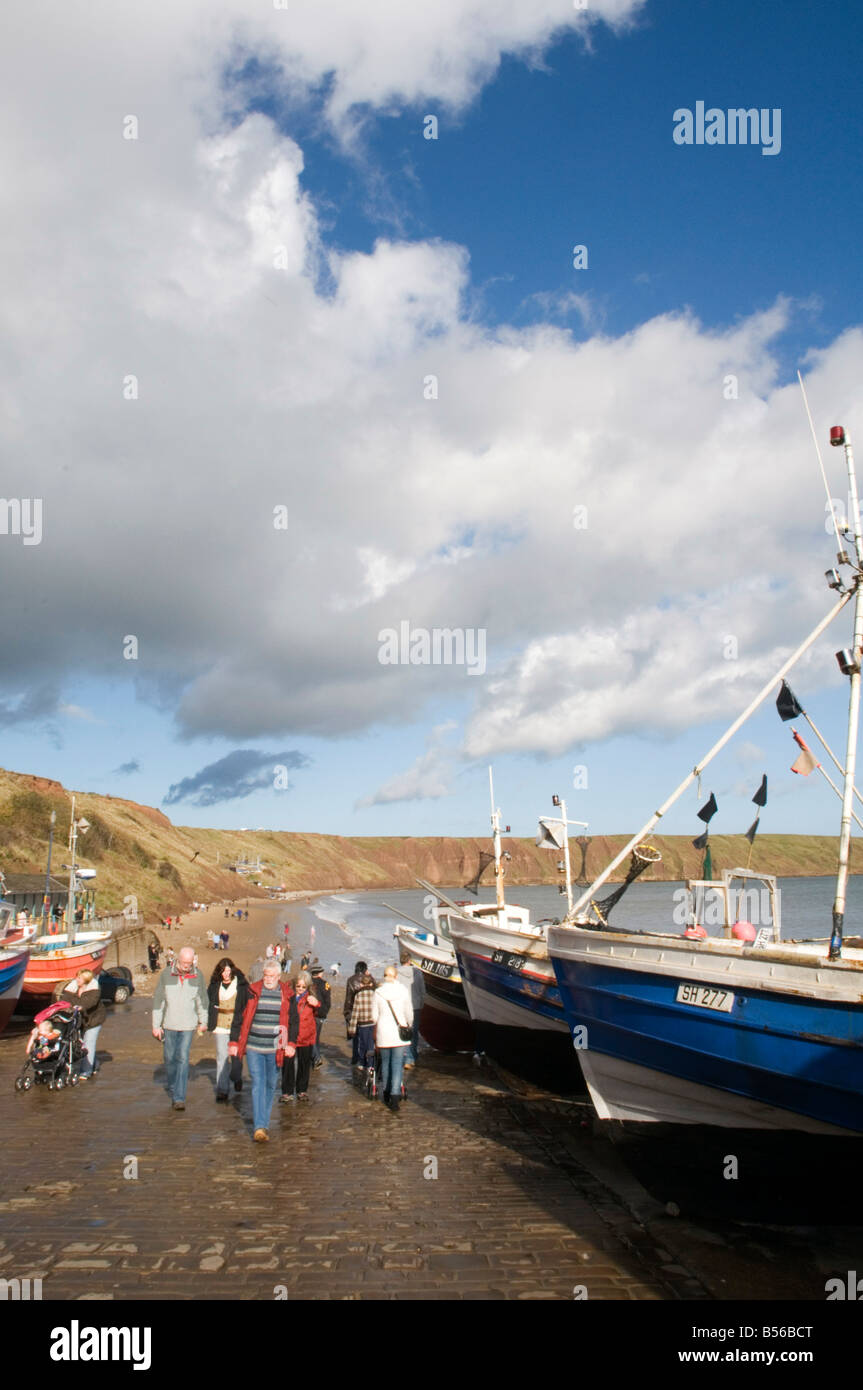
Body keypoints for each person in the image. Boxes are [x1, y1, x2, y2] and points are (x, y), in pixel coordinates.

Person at [232, 959, 297, 1141]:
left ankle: (263, 1122)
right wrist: (233, 1042)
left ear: (278, 976)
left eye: (272, 976)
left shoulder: (286, 994)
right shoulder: (252, 991)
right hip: (254, 1046)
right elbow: (239, 1015)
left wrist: (291, 1043)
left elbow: (293, 1021)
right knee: (258, 1083)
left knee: (270, 1085)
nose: (268, 979)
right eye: (266, 975)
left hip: (276, 1048)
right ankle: (259, 1127)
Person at [151, 946, 208, 1110]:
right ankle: (173, 1084)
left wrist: (203, 1021)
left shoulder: (198, 976)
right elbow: (159, 1001)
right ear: (178, 960)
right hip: (169, 1024)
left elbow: (202, 1000)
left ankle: (179, 1097)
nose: (186, 966)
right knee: (169, 1058)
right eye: (184, 963)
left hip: (189, 1025)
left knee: (182, 1057)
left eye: (189, 963)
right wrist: (156, 1025)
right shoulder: (166, 974)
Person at [207, 957, 251, 1102]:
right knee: (221, 1057)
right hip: (220, 1024)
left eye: (228, 970)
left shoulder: (241, 985)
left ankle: (237, 1077)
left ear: (232, 970)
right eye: (223, 971)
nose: (226, 974)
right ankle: (222, 1089)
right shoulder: (215, 985)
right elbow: (209, 1002)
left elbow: (247, 1004)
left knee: (237, 1058)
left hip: (237, 1024)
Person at [372, 966, 413, 1115]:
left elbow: (374, 1016)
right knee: (397, 1064)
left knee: (386, 1064)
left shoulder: (378, 993)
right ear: (396, 977)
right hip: (398, 1032)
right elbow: (409, 1012)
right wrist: (409, 1024)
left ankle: (387, 1092)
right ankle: (395, 1096)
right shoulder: (403, 991)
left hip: (383, 1032)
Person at [60, 968, 106, 1079]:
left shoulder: (94, 990)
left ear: (86, 979)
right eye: (77, 977)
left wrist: (81, 1007)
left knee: (88, 1043)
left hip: (94, 1019)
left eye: (79, 977)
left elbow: (90, 1002)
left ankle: (86, 1071)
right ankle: (94, 1064)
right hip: (79, 1020)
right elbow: (64, 1000)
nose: (77, 979)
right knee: (81, 1044)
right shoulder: (72, 988)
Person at [280, 970, 319, 1102]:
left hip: (306, 1035)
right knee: (287, 1064)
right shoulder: (287, 996)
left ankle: (302, 1090)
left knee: (304, 1064)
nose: (301, 989)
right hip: (290, 1035)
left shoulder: (310, 997)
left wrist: (317, 1004)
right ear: (294, 984)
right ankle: (287, 1091)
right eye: (298, 986)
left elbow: (322, 1011)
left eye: (304, 987)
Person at [397, 951, 425, 1070]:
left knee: (404, 1032)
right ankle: (412, 1056)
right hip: (415, 1005)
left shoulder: (396, 973)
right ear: (410, 961)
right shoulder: (418, 972)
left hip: (401, 1005)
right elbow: (422, 991)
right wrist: (421, 1003)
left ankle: (408, 1057)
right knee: (414, 1031)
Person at [347, 970, 376, 1080]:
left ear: (362, 984)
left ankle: (362, 1063)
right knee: (371, 1045)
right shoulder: (375, 994)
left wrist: (352, 1028)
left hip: (362, 1024)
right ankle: (371, 1065)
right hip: (373, 1022)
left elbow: (355, 1012)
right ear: (371, 984)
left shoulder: (358, 995)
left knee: (362, 1045)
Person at [344, 961, 374, 1067]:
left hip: (354, 1010)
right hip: (368, 1014)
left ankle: (356, 1058)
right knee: (368, 1039)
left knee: (356, 1037)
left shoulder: (351, 980)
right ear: (365, 969)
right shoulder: (371, 979)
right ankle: (368, 1061)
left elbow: (348, 999)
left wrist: (347, 1013)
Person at [309, 963, 331, 1068]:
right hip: (321, 1013)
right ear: (319, 973)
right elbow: (328, 1001)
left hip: (311, 1013)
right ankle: (316, 1058)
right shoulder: (325, 984)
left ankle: (315, 1058)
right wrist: (325, 1012)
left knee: (312, 1037)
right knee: (316, 1037)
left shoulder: (308, 983)